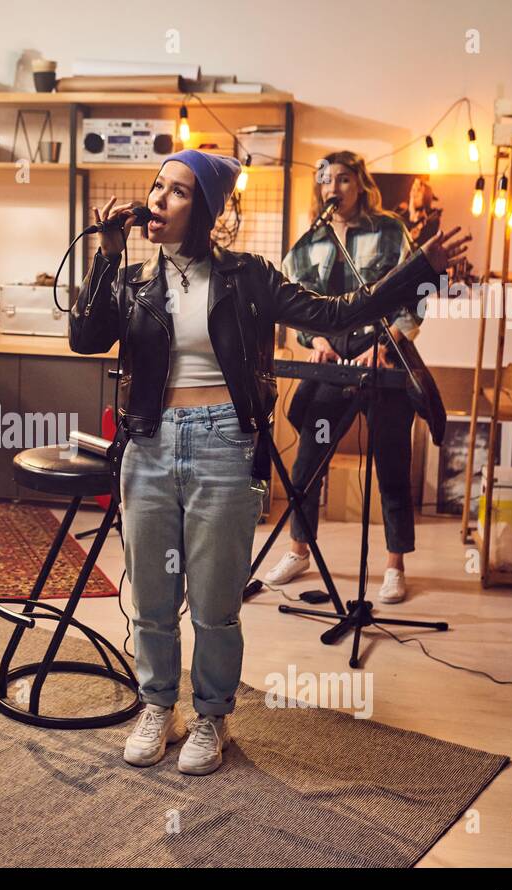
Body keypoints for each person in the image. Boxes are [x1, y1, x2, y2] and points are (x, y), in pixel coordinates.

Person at [72, 149, 468, 774]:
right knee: (150, 595)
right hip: (147, 444)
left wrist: (418, 269)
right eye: (156, 186)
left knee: (213, 600)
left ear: (201, 209)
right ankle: (158, 705)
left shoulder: (250, 276)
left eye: (176, 191)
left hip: (224, 443)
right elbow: (85, 338)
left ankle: (210, 716)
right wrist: (105, 253)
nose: (158, 198)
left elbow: (339, 314)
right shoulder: (133, 279)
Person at [264, 151, 426, 604]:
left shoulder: (391, 230)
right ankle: (299, 550)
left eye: (343, 179)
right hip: (330, 355)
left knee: (392, 460)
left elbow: (419, 292)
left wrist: (388, 342)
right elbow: (289, 305)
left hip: (385, 353)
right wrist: (315, 342)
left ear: (360, 184)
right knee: (306, 461)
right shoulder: (307, 243)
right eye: (325, 180)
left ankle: (394, 564)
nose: (332, 188)